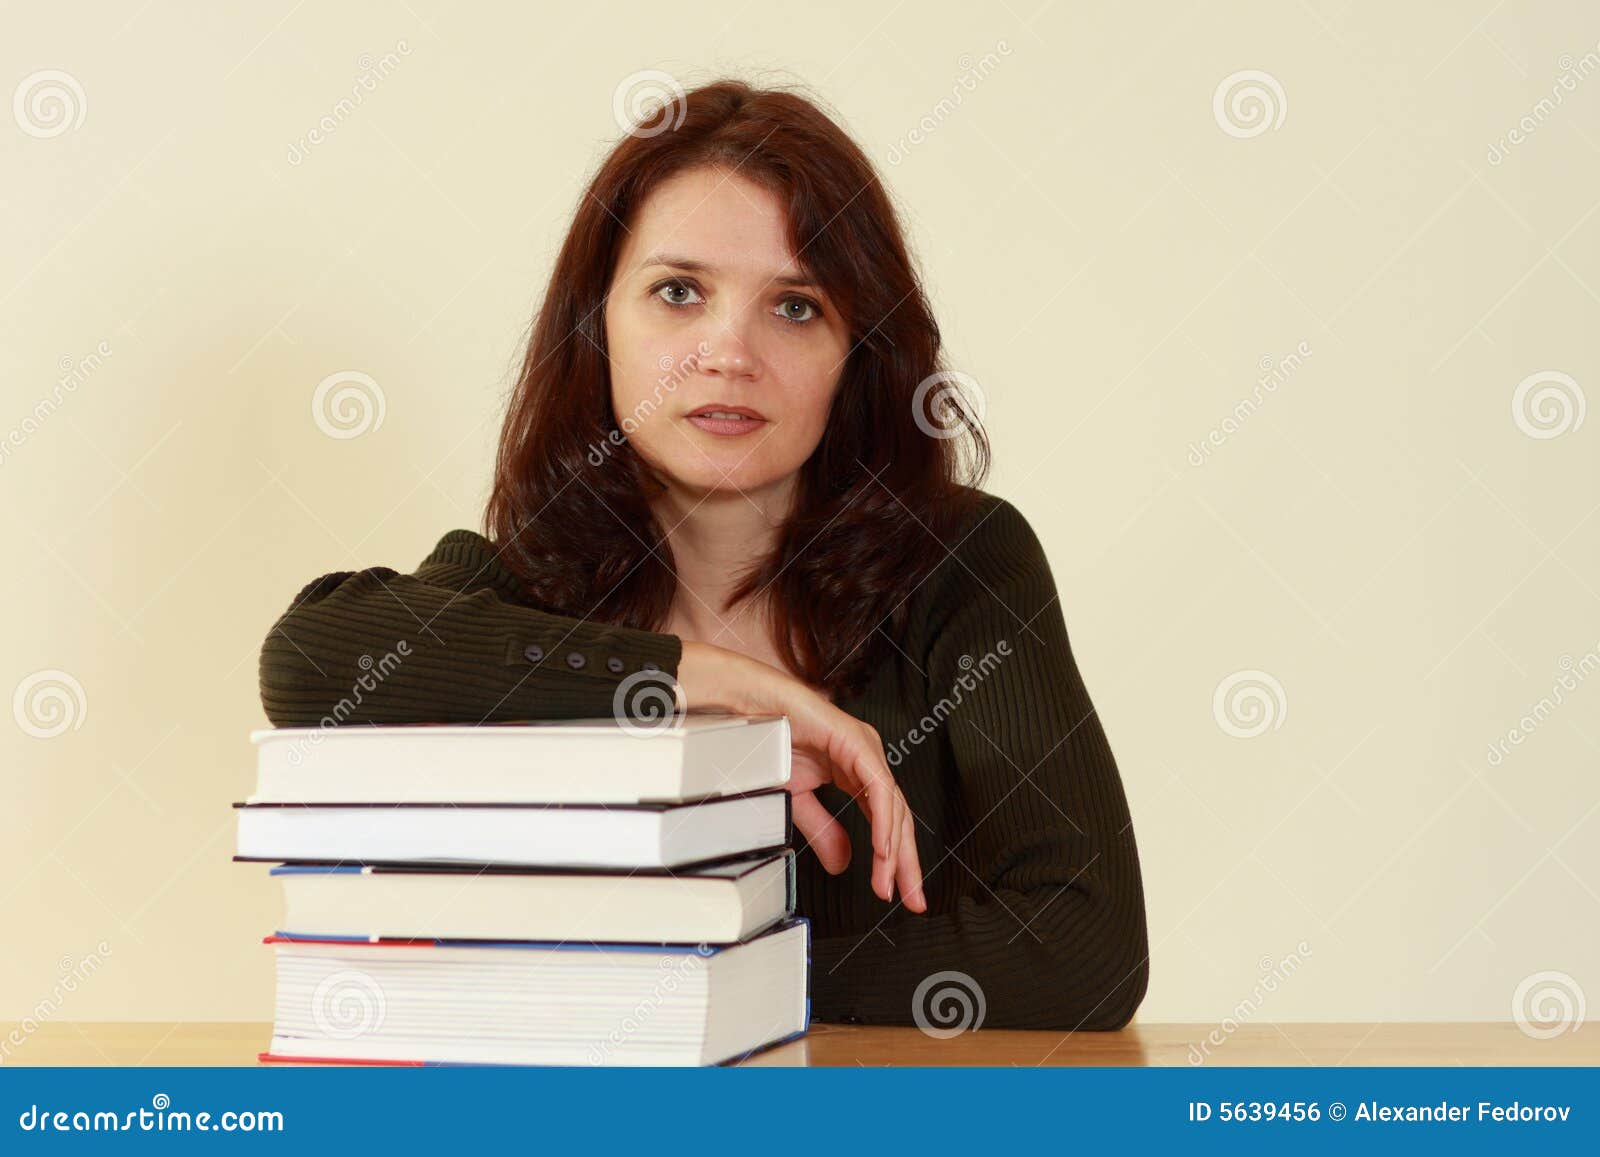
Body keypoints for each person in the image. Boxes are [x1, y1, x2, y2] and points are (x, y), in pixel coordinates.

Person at [258, 78, 1149, 1030]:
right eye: (678, 293)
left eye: (797, 306)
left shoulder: (964, 561)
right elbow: (310, 659)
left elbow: (1084, 949)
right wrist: (709, 680)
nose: (729, 352)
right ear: (596, 324)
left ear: (861, 348)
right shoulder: (527, 580)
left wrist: (700, 980)